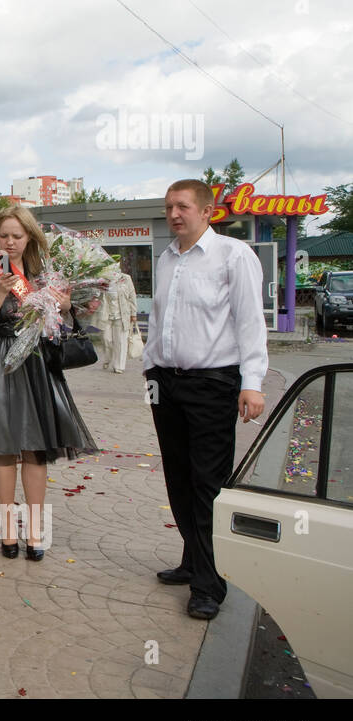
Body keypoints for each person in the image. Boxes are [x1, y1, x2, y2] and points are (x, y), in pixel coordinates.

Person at [145, 180, 267, 621]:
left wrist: (251, 382)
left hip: (213, 383)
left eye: (182, 206)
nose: (174, 214)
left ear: (207, 211)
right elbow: (160, 321)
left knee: (208, 483)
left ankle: (209, 585)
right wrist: (149, 369)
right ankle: (193, 559)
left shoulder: (233, 255)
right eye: (168, 207)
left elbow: (250, 322)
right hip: (166, 382)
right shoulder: (166, 257)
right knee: (178, 476)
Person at [0, 204, 98, 560]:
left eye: (16, 236)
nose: (9, 242)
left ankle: (35, 531)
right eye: (3, 235)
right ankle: (9, 532)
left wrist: (67, 306)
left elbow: (56, 321)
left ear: (30, 237)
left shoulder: (42, 270)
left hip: (36, 363)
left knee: (36, 449)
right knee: (5, 449)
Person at [91, 271, 138, 374]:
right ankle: (108, 359)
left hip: (122, 314)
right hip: (106, 314)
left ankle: (119, 366)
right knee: (106, 339)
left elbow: (132, 296)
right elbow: (96, 296)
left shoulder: (126, 278)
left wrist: (133, 313)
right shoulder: (102, 279)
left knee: (121, 341)